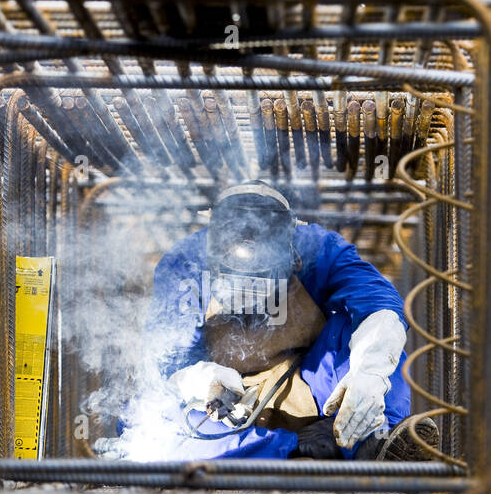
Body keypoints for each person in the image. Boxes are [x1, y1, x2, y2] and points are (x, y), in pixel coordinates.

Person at [138, 180, 434, 460]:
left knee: (363, 328)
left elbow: (381, 306)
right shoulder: (185, 262)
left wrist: (370, 375)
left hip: (310, 386)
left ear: (292, 256)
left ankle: (376, 440)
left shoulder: (319, 249)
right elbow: (165, 358)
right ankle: (301, 447)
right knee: (149, 426)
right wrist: (200, 379)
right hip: (222, 405)